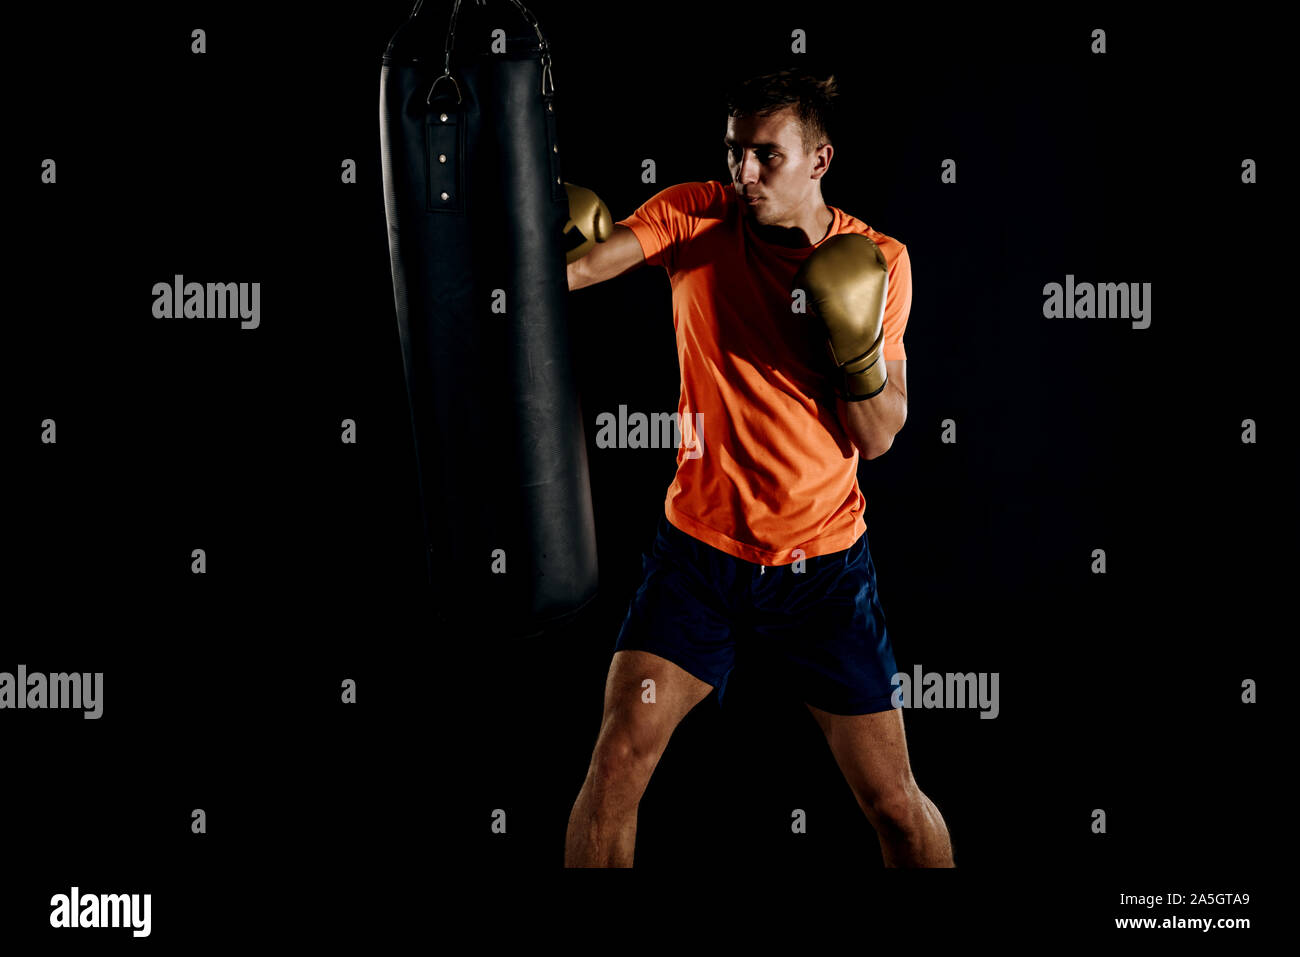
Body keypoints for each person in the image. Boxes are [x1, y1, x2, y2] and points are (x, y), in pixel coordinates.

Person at [562, 69, 953, 867]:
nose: (743, 173)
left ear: (820, 159)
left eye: (765, 156)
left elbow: (878, 437)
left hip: (823, 571)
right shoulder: (696, 214)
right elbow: (576, 271)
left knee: (894, 807)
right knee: (616, 765)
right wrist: (527, 227)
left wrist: (858, 352)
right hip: (697, 562)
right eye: (734, 151)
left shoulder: (880, 259)